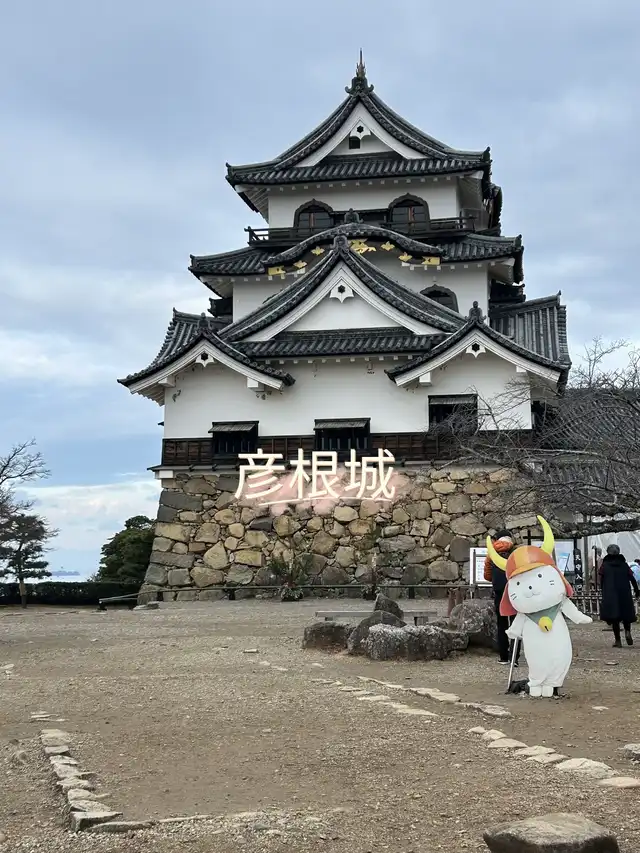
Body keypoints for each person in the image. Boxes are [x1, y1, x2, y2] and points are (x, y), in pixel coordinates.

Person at [484, 529, 520, 665]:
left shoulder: (492, 553)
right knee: (516, 624)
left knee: (502, 623)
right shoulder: (516, 552)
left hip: (499, 592)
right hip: (515, 591)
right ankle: (514, 658)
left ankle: (503, 657)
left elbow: (487, 575)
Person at [599, 544, 640, 647]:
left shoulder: (605, 565)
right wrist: (636, 590)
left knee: (615, 617)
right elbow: (632, 578)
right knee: (626, 614)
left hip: (611, 593)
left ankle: (618, 640)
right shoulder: (624, 565)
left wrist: (603, 590)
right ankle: (627, 632)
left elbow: (601, 579)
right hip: (624, 592)